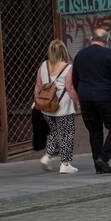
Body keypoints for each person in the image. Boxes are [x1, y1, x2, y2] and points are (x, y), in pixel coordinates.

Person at [72, 28, 111, 175]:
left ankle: (98, 165)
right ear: (107, 40)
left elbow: (75, 79)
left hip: (86, 98)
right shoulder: (108, 54)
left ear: (92, 38)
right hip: (105, 97)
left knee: (94, 131)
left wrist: (81, 96)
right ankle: (103, 158)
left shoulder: (80, 55)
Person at [35, 40, 80, 174]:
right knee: (66, 134)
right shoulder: (67, 67)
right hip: (63, 107)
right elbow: (69, 88)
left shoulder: (43, 65)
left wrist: (38, 101)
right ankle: (65, 164)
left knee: (53, 132)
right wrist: (77, 102)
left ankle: (47, 157)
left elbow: (38, 86)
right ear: (64, 51)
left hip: (47, 107)